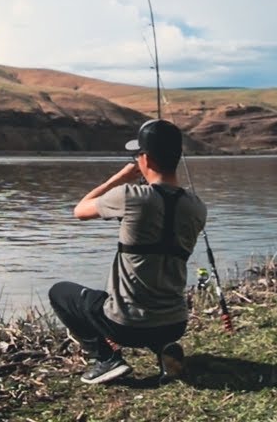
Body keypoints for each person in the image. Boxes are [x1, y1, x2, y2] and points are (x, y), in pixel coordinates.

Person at [48, 118, 208, 384]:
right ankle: (163, 347)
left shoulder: (128, 196)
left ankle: (106, 359)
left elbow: (80, 210)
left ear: (145, 159)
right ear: (177, 157)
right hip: (175, 323)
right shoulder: (197, 208)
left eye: (138, 155)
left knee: (61, 292)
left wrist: (120, 177)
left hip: (126, 327)